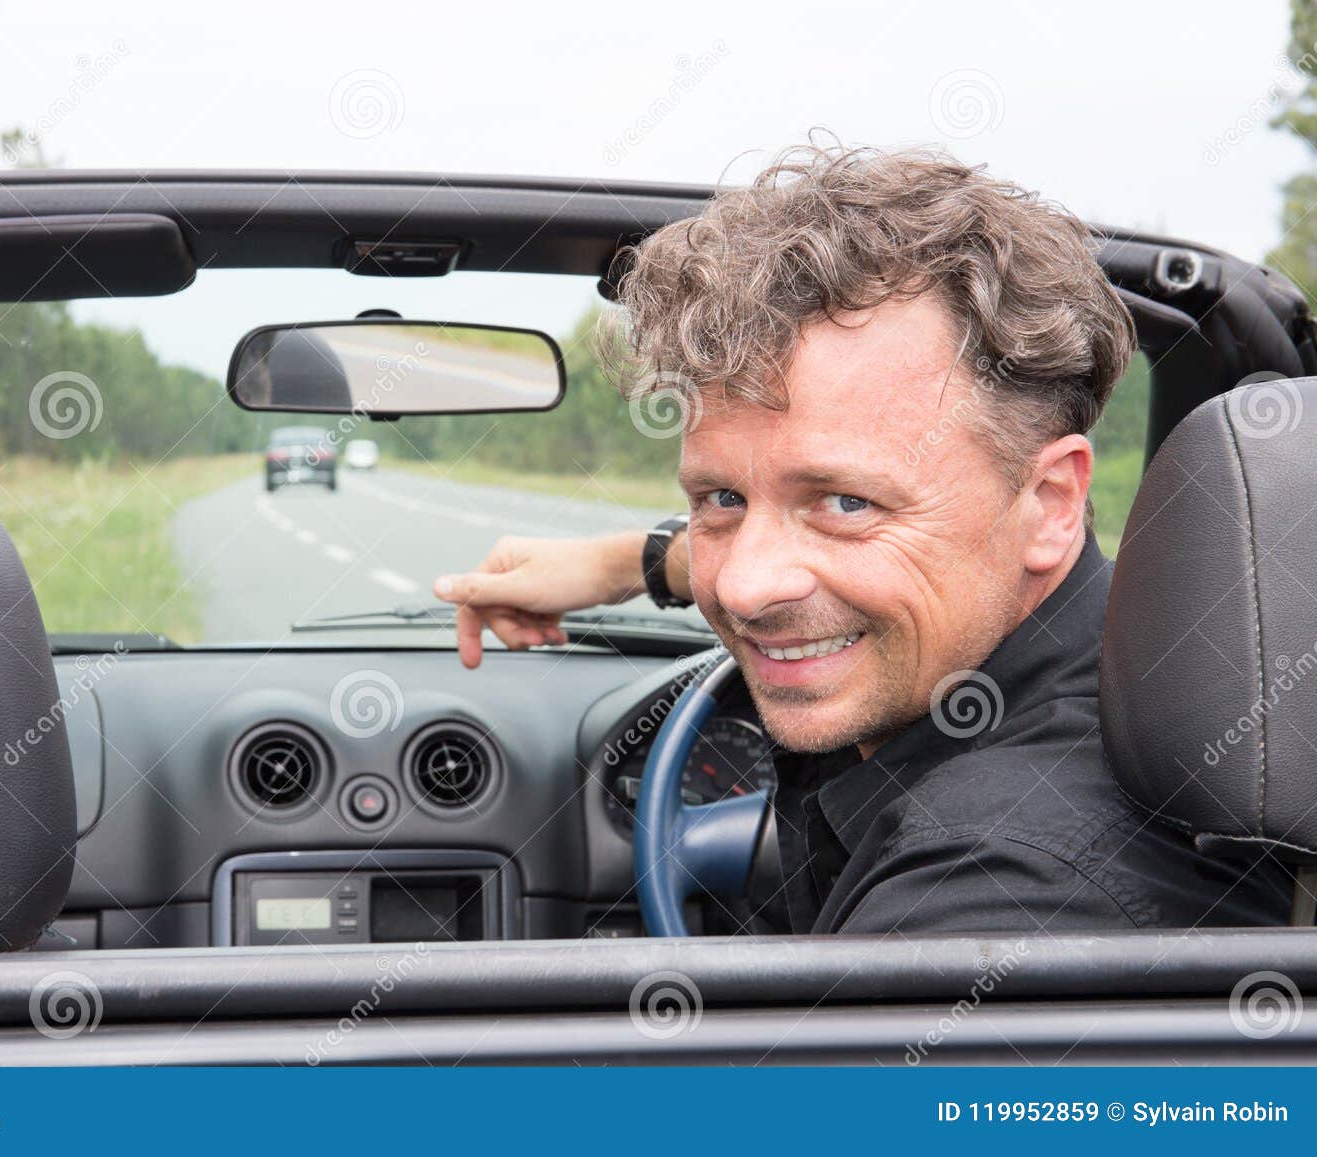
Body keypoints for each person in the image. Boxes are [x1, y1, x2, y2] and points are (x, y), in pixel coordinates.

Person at [432, 144, 1290, 934]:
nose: (743, 586)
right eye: (722, 497)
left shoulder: (995, 895)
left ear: (1050, 502)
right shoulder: (1125, 659)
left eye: (844, 502)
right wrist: (635, 561)